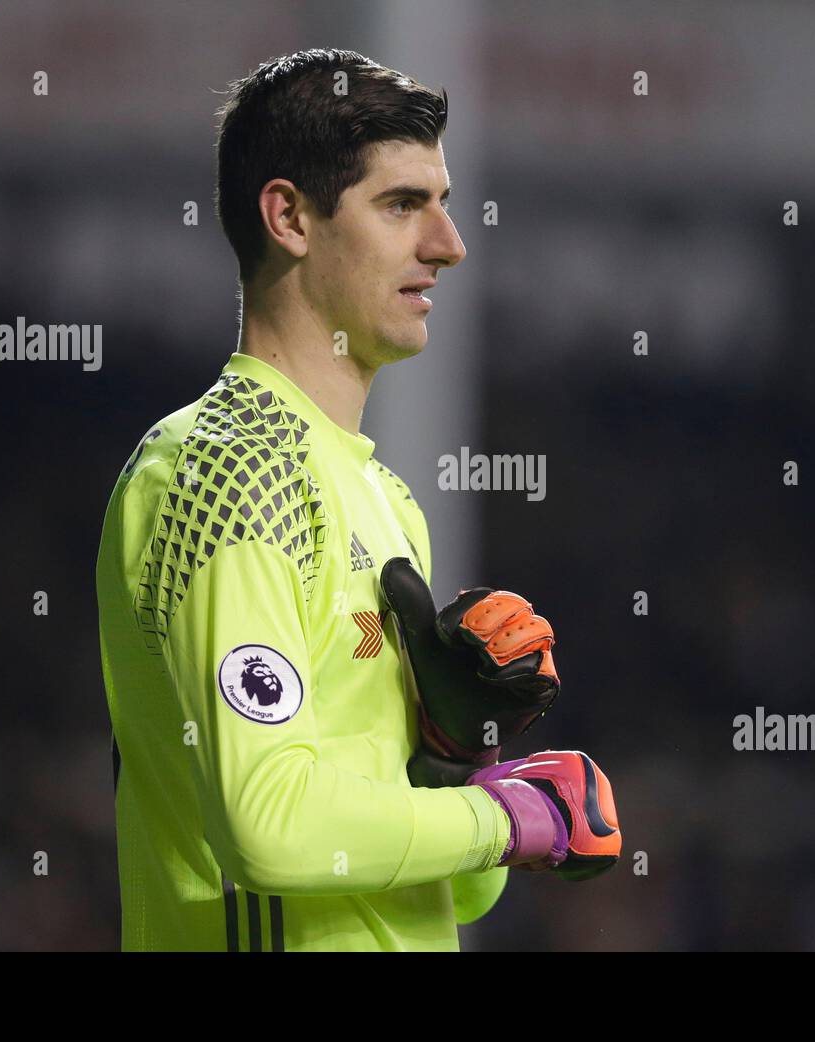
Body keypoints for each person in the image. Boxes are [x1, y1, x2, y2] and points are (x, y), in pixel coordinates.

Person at [96, 48, 620, 952]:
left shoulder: (383, 498)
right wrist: (510, 818)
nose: (448, 245)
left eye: (443, 205)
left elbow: (457, 901)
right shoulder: (225, 469)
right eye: (402, 204)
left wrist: (456, 760)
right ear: (290, 216)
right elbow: (270, 828)